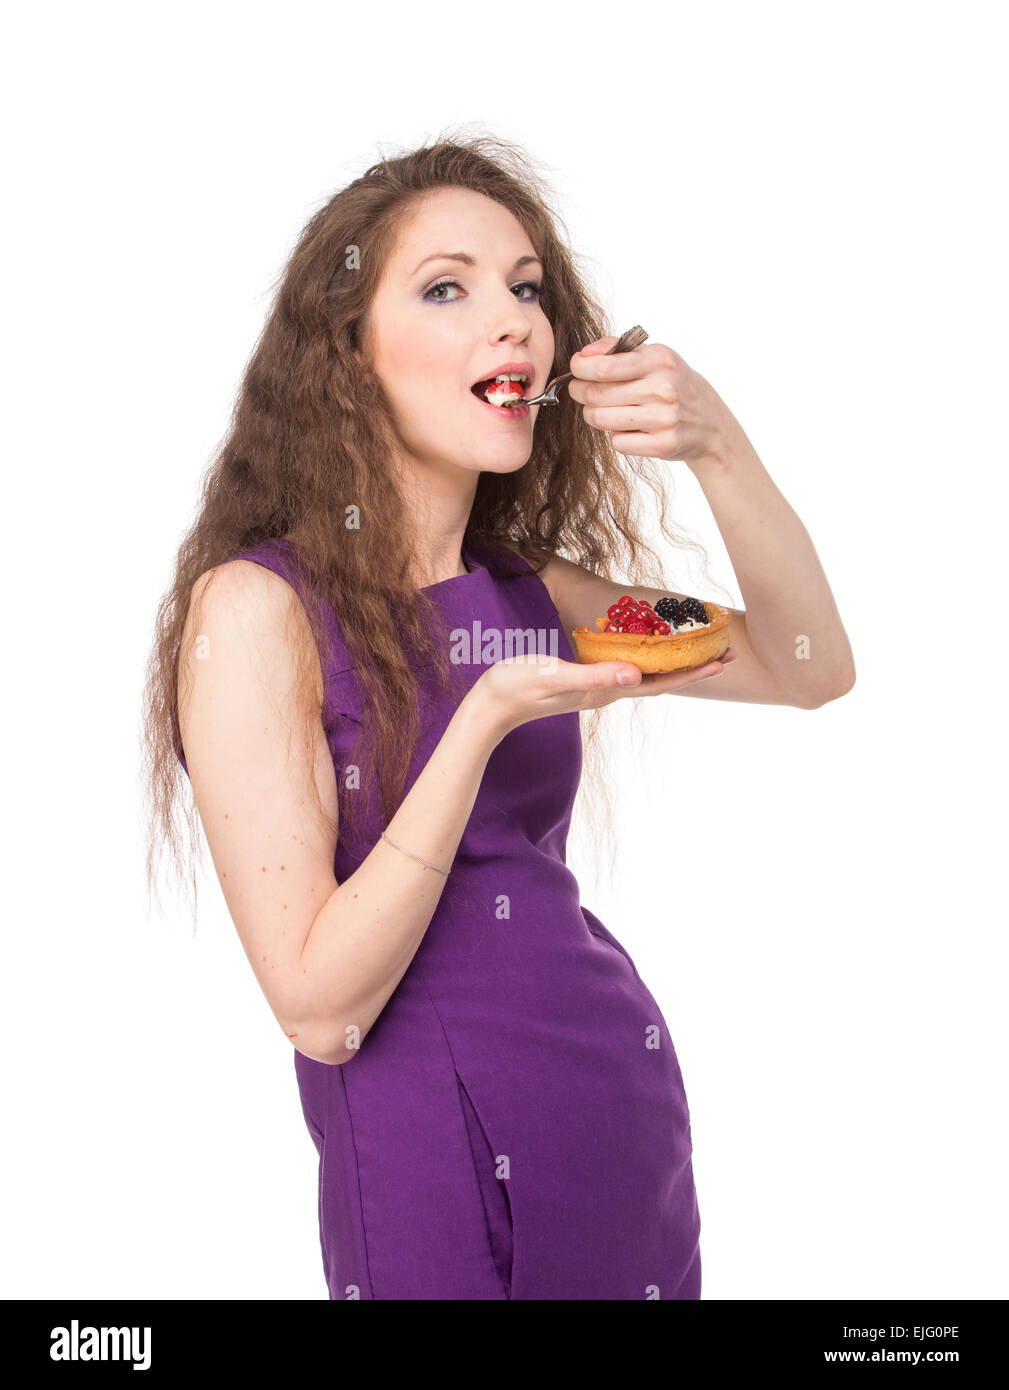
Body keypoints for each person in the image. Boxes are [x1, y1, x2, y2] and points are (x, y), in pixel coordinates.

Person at [146, 131, 855, 1300]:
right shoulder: (257, 608)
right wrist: (477, 722)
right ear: (348, 356)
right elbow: (319, 1008)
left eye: (527, 287)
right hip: (430, 1153)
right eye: (446, 288)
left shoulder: (539, 594)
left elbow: (804, 663)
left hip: (618, 1128)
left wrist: (716, 445)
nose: (515, 319)